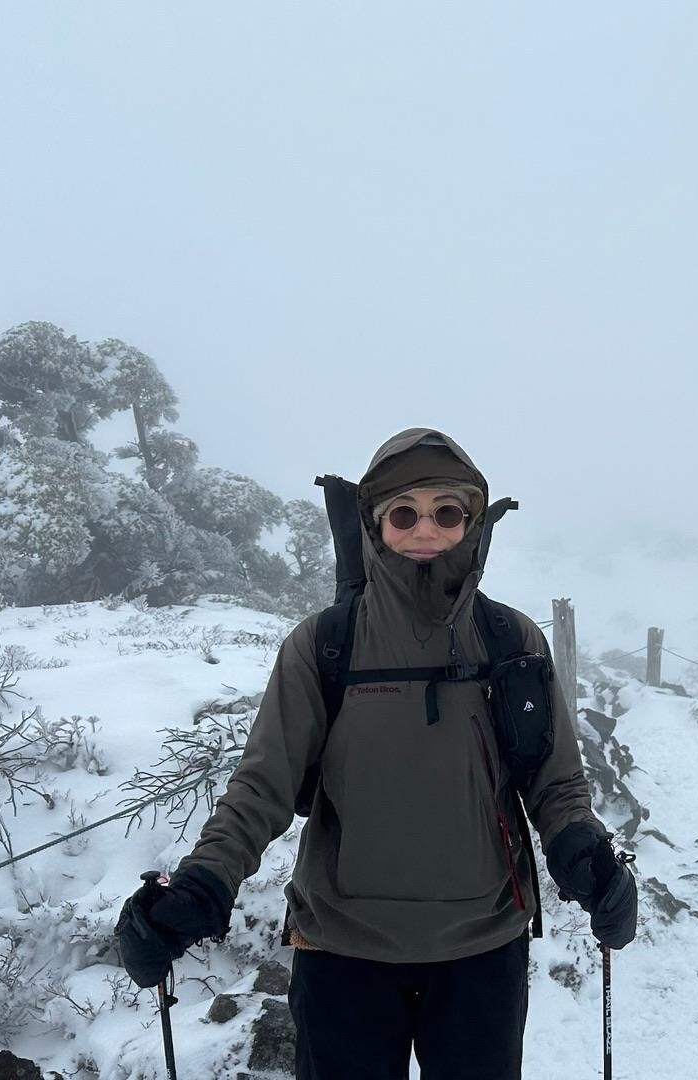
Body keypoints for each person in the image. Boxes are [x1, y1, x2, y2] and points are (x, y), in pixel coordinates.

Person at [115, 427, 637, 1080]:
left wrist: (585, 855)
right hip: (342, 952)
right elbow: (262, 786)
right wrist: (203, 883)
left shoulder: (511, 640)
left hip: (483, 950)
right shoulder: (323, 645)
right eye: (404, 513)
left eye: (447, 511)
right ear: (374, 525)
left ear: (473, 523)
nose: (427, 529)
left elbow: (554, 783)